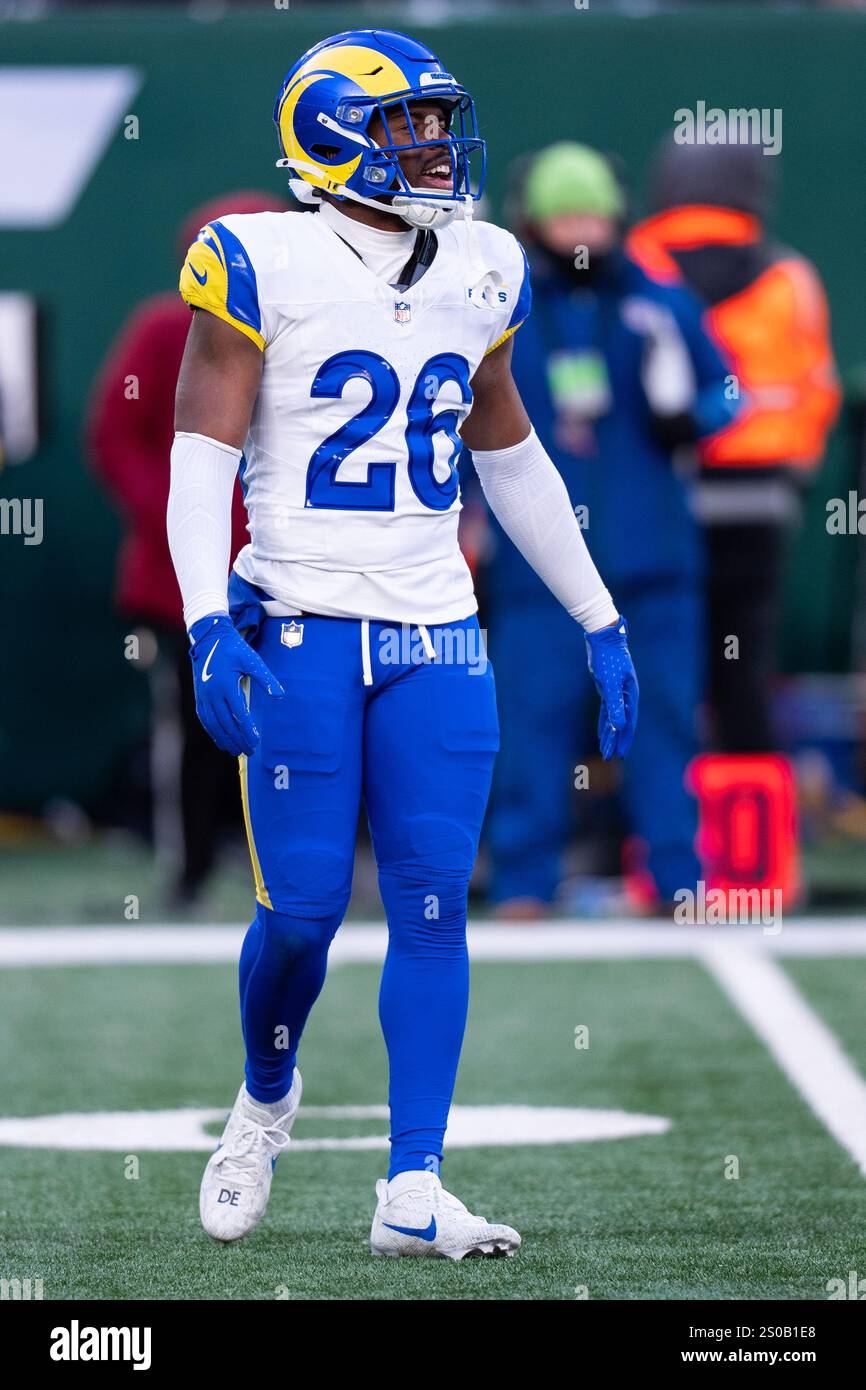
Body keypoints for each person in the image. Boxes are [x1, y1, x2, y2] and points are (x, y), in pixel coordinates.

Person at [167, 30, 637, 1259]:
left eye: (436, 123)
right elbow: (198, 458)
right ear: (328, 133)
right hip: (301, 622)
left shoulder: (482, 263)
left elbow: (510, 451)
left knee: (432, 901)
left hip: (436, 630)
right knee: (304, 911)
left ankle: (411, 1184)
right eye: (407, 125)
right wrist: (205, 618)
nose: (433, 146)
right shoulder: (256, 258)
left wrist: (598, 614)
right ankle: (267, 1095)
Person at [483, 143, 738, 917]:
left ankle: (674, 876)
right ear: (533, 221)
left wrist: (686, 413)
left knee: (664, 719)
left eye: (593, 213)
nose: (582, 232)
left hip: (649, 562)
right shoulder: (502, 306)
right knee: (532, 723)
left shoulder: (659, 303)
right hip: (538, 570)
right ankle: (524, 880)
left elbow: (730, 394)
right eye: (565, 217)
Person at [88, 192, 287, 905]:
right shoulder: (162, 330)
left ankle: (285, 861)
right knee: (194, 717)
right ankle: (191, 866)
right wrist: (178, 518)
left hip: (287, 570)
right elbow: (115, 436)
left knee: (296, 714)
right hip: (179, 581)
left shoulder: (306, 325)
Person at [629, 139, 840, 752]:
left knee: (651, 662)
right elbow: (816, 392)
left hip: (657, 494)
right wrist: (791, 471)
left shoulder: (637, 267)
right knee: (743, 664)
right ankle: (749, 828)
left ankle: (639, 828)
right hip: (760, 498)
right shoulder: (789, 277)